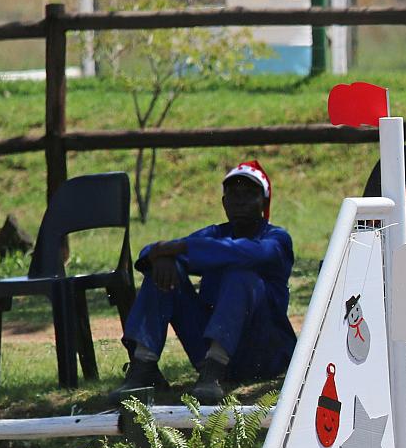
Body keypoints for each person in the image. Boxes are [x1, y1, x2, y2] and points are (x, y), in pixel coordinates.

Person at [112, 160, 296, 405]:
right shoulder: (214, 234)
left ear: (264, 202)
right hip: (204, 352)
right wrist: (163, 256)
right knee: (167, 269)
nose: (240, 201)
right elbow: (150, 252)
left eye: (249, 194)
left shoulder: (277, 239)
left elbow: (248, 253)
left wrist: (180, 249)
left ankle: (215, 370)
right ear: (223, 203)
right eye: (233, 194)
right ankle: (143, 366)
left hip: (260, 355)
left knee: (241, 274)